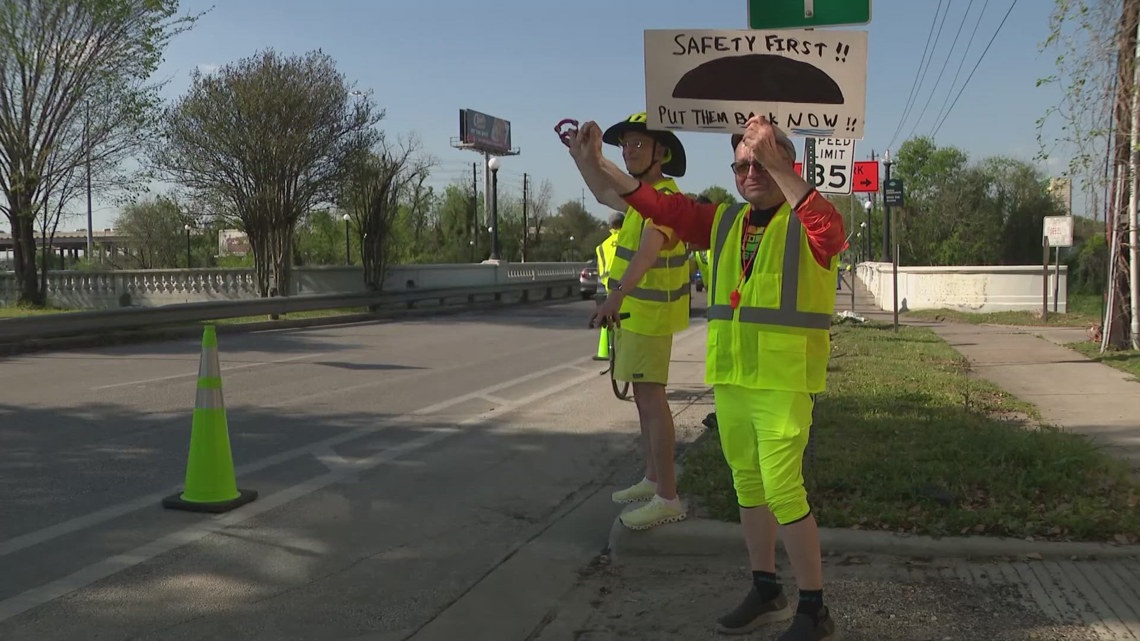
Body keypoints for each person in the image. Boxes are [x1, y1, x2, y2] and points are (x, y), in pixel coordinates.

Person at [566, 115, 846, 641]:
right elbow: (655, 204)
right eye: (741, 165)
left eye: (760, 160)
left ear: (786, 162)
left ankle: (815, 609)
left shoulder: (809, 221)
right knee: (747, 485)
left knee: (785, 490)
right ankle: (766, 588)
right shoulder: (723, 222)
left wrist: (776, 159)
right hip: (734, 378)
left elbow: (832, 233)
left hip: (784, 382)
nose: (749, 171)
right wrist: (596, 162)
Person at [568, 111, 691, 531]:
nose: (629, 151)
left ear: (662, 152)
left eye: (638, 144)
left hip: (649, 316)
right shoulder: (642, 198)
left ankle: (667, 497)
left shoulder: (666, 198)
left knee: (654, 404)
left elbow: (646, 254)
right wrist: (582, 156)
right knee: (643, 402)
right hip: (638, 316)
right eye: (625, 145)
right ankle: (653, 478)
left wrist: (613, 299)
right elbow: (604, 191)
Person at [591, 212, 624, 360]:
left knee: (606, 319)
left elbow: (599, 270)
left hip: (606, 287)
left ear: (610, 226)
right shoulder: (630, 240)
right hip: (625, 287)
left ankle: (606, 352)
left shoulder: (601, 247)